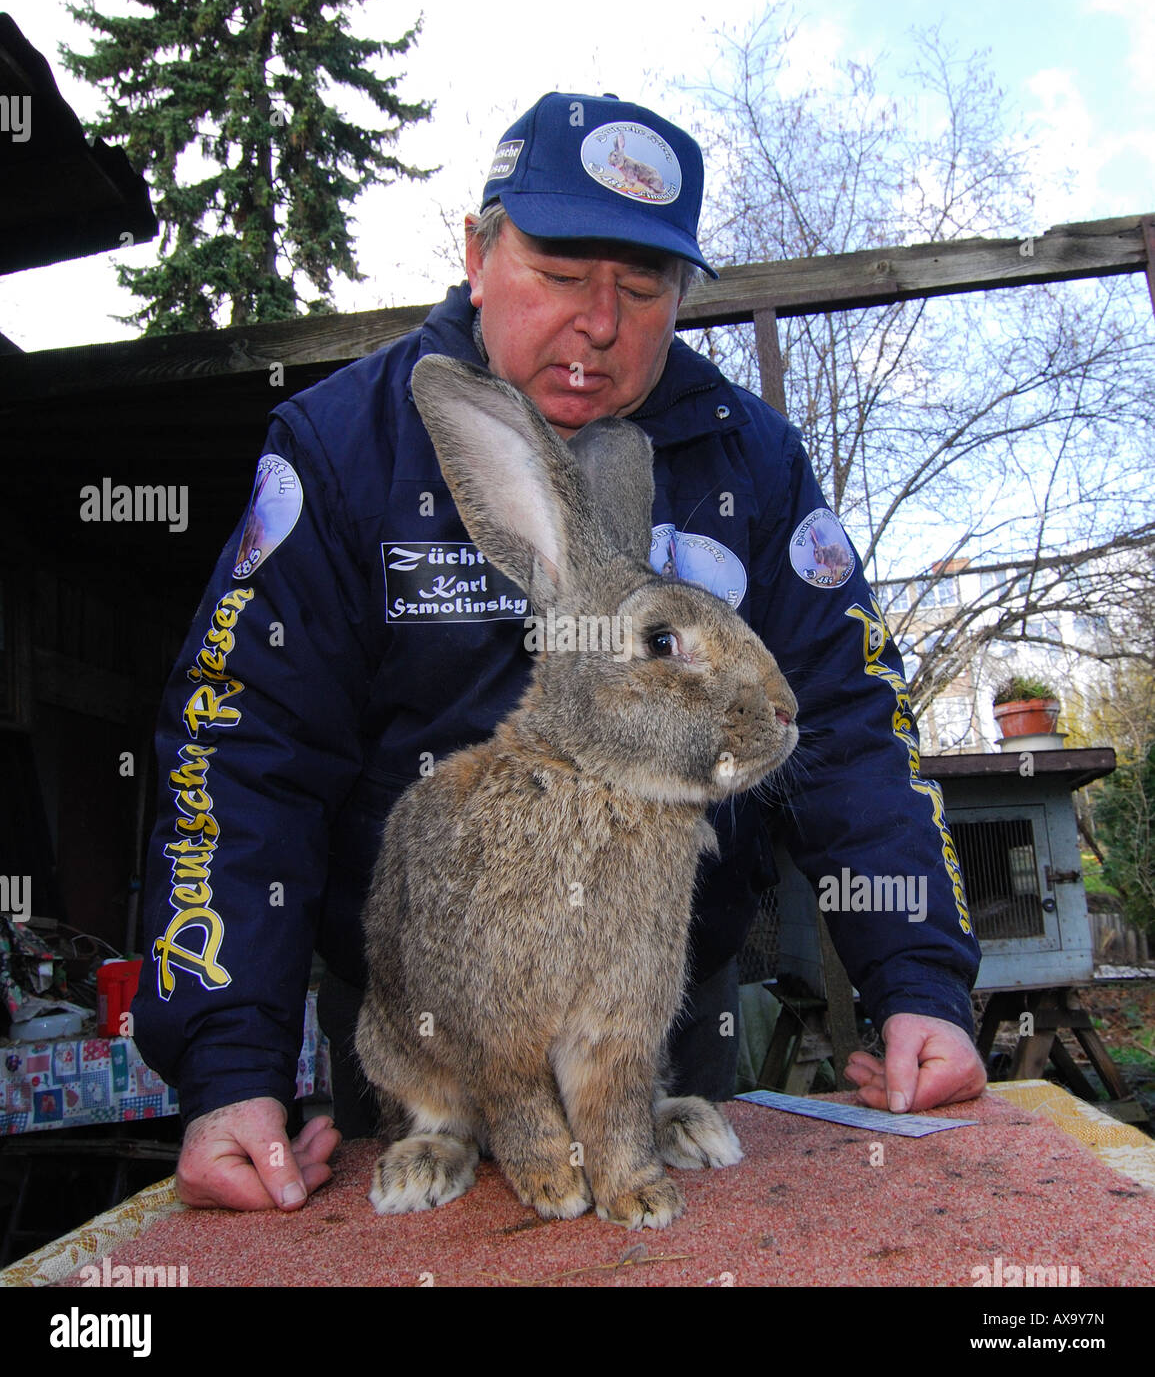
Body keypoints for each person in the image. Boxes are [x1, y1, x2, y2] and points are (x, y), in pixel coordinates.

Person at [133, 92, 985, 1213]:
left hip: (663, 1008)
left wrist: (918, 980)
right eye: (559, 273)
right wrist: (228, 1064)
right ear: (478, 253)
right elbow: (243, 747)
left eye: (643, 291)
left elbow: (851, 715)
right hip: (421, 1013)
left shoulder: (749, 461)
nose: (600, 324)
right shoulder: (345, 448)